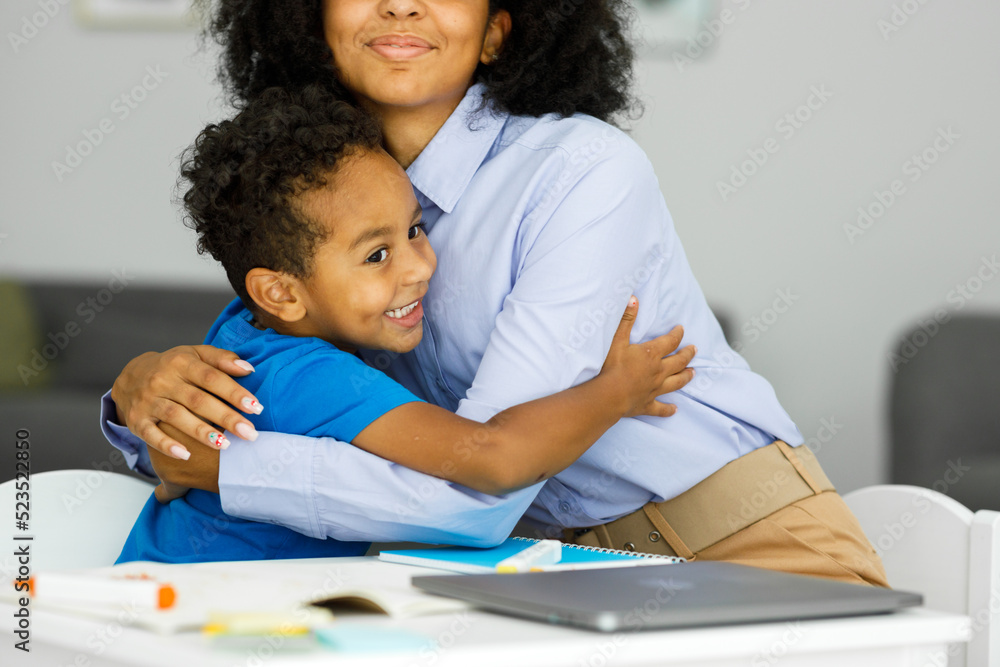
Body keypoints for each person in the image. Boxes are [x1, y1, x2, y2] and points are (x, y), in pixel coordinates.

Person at [103, 0, 888, 585]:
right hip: (536, 574)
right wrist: (146, 397)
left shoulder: (582, 173)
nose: (401, 3)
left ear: (499, 29)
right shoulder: (317, 197)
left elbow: (475, 496)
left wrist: (224, 469)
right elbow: (283, 373)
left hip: (743, 547)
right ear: (311, 20)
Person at [116, 84, 694, 563]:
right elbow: (492, 461)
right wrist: (614, 393)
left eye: (415, 229)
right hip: (204, 622)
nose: (421, 267)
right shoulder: (315, 377)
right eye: (376, 255)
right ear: (280, 292)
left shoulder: (241, 329)